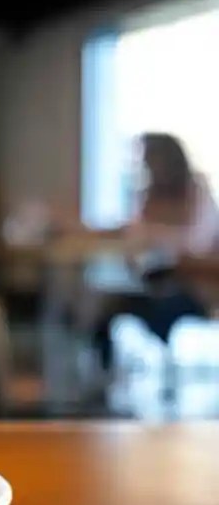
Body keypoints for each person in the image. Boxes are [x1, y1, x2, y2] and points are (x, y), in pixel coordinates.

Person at [92, 133, 215, 368]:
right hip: (150, 282)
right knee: (106, 307)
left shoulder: (197, 192)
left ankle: (164, 371)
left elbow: (197, 244)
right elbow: (134, 239)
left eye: (151, 158)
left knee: (163, 310)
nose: (147, 166)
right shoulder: (148, 195)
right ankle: (100, 377)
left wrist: (157, 240)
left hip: (193, 287)